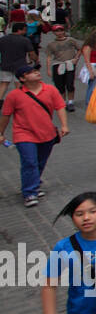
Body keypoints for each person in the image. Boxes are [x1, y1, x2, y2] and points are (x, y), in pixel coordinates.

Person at [0, 63, 69, 206]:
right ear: (22, 79)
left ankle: (34, 184)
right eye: (31, 72)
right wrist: (0, 133)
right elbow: (6, 116)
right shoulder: (14, 96)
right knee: (30, 162)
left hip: (47, 133)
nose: (37, 73)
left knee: (40, 162)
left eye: (37, 71)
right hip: (23, 134)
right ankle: (29, 193)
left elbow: (60, 107)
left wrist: (64, 125)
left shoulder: (50, 90)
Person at [44, 24, 80, 113]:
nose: (59, 33)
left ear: (64, 31)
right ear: (54, 33)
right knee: (60, 85)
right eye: (57, 31)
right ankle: (63, 102)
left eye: (61, 30)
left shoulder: (71, 40)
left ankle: (71, 102)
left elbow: (79, 49)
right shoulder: (51, 44)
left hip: (69, 64)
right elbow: (49, 57)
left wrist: (76, 58)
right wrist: (48, 69)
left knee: (70, 84)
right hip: (58, 64)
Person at [0, 21, 35, 102]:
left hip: (5, 64)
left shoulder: (3, 39)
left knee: (4, 83)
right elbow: (32, 53)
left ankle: (0, 99)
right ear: (19, 30)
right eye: (24, 30)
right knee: (19, 84)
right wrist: (35, 60)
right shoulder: (25, 40)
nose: (25, 32)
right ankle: (18, 100)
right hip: (20, 66)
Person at [78, 29, 96, 110]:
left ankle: (92, 101)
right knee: (92, 86)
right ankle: (89, 102)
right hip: (92, 66)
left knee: (94, 86)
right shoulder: (87, 47)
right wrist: (90, 71)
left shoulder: (95, 45)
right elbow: (87, 60)